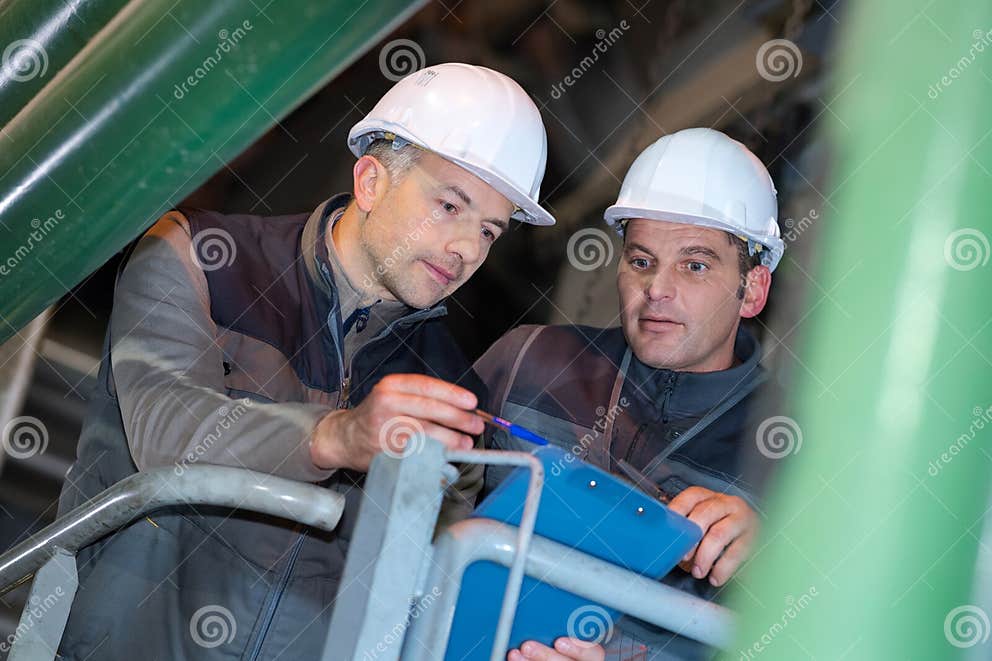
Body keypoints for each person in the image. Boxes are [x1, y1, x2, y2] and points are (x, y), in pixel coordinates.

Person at [54, 62, 555, 660]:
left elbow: (434, 588)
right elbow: (167, 432)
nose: (467, 248)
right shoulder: (202, 258)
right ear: (371, 181)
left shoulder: (449, 391)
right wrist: (336, 437)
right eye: (450, 206)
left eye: (491, 232)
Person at [479, 128, 786, 660]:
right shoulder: (529, 360)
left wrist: (784, 554)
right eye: (642, 261)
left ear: (752, 289)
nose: (658, 290)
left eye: (695, 265)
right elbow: (411, 510)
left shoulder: (795, 450)